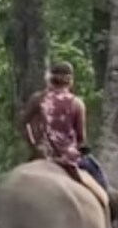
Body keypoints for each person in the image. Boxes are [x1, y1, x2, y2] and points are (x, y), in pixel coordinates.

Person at [18, 62, 108, 190]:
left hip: (42, 154)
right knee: (99, 178)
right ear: (70, 81)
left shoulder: (37, 99)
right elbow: (81, 138)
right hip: (68, 157)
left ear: (50, 79)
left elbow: (23, 123)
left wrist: (34, 145)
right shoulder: (77, 103)